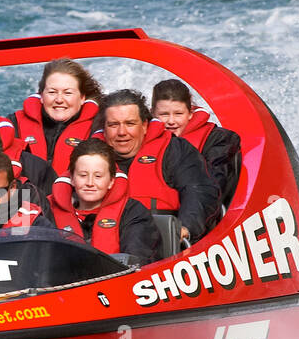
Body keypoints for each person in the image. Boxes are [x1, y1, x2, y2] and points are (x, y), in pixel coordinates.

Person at [99, 89, 220, 243]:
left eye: (130, 123)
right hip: (102, 247)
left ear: (144, 126)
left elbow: (198, 190)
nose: (122, 132)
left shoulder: (174, 149)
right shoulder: (88, 157)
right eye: (113, 125)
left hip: (162, 242)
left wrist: (186, 228)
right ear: (104, 129)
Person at [48, 140, 159, 264]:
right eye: (83, 175)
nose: (90, 183)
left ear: (111, 181)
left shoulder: (133, 213)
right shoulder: (49, 210)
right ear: (72, 179)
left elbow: (138, 263)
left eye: (98, 176)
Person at [151, 78, 241, 209]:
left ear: (190, 113)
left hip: (204, 214)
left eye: (178, 114)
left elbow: (215, 184)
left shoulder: (217, 139)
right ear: (153, 113)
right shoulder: (138, 141)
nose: (171, 121)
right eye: (164, 114)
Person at [12, 57, 103, 175]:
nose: (59, 99)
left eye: (68, 93)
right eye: (52, 92)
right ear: (41, 96)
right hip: (25, 193)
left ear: (82, 98)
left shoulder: (99, 128)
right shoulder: (14, 123)